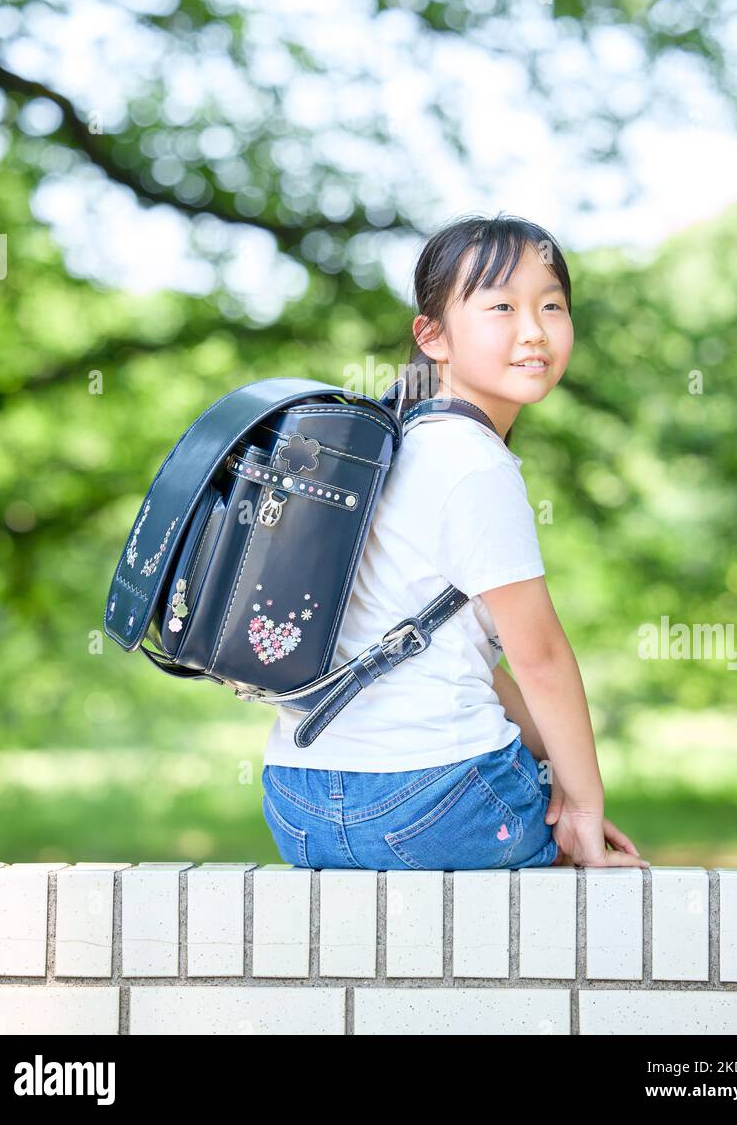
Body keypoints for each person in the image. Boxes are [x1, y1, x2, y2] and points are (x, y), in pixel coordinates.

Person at [261, 212, 648, 873]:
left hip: (297, 805)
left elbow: (460, 658)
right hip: (435, 806)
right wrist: (581, 807)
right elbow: (541, 658)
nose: (533, 330)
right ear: (433, 336)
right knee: (560, 839)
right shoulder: (474, 462)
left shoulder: (391, 445)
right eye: (501, 307)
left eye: (551, 305)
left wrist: (552, 769)